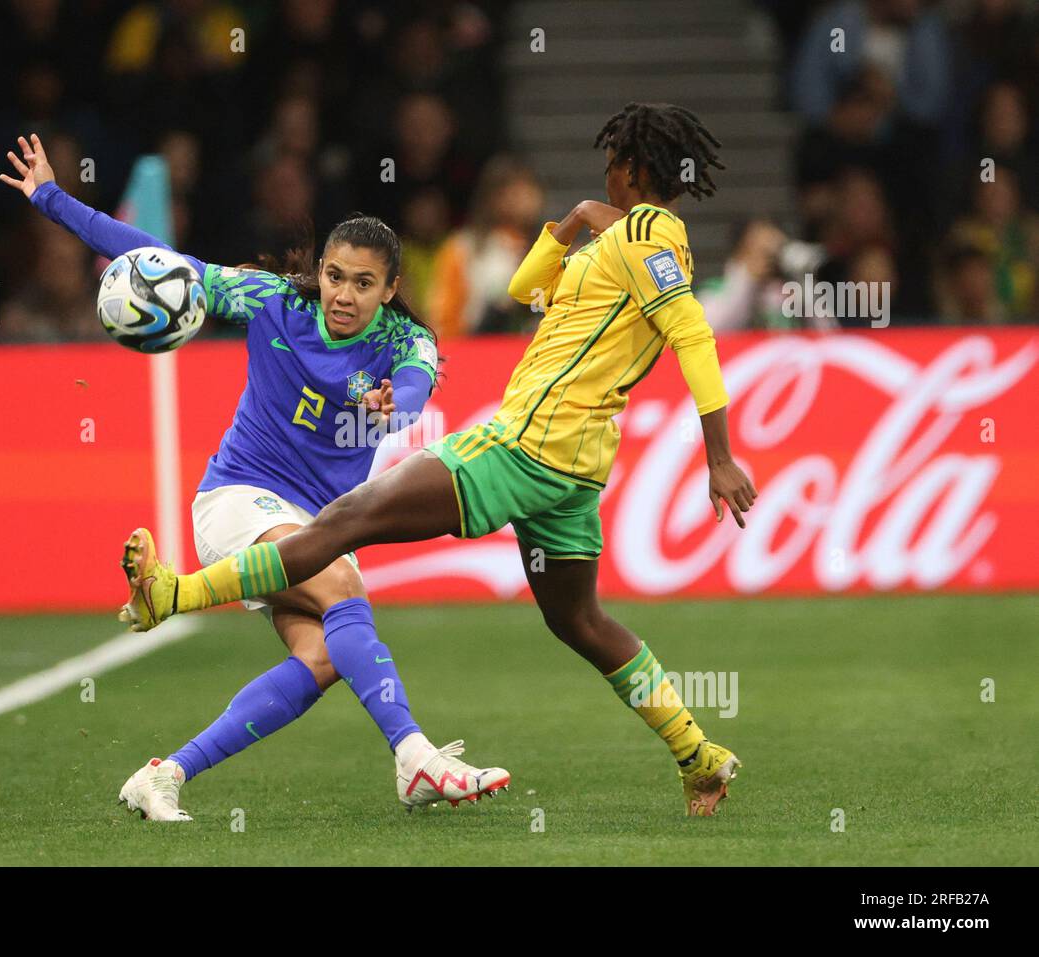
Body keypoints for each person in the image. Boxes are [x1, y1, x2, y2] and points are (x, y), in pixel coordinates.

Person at [121, 103, 757, 817]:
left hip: (526, 442)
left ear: (634, 170)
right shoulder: (625, 243)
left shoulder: (646, 234)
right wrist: (573, 223)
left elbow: (694, 334)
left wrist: (720, 456)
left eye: (611, 166)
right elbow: (525, 291)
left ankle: (174, 595)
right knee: (580, 621)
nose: (604, 176)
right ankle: (698, 756)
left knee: (344, 520)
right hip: (575, 467)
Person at [0, 133, 509, 821]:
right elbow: (153, 256)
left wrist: (397, 404)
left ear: (391, 288)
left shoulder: (403, 342)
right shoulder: (273, 302)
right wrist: (50, 197)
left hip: (317, 522)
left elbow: (416, 385)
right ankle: (414, 756)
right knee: (343, 587)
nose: (344, 294)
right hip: (237, 501)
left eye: (364, 283)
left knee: (326, 658)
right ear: (320, 270)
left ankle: (164, 774)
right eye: (335, 275)